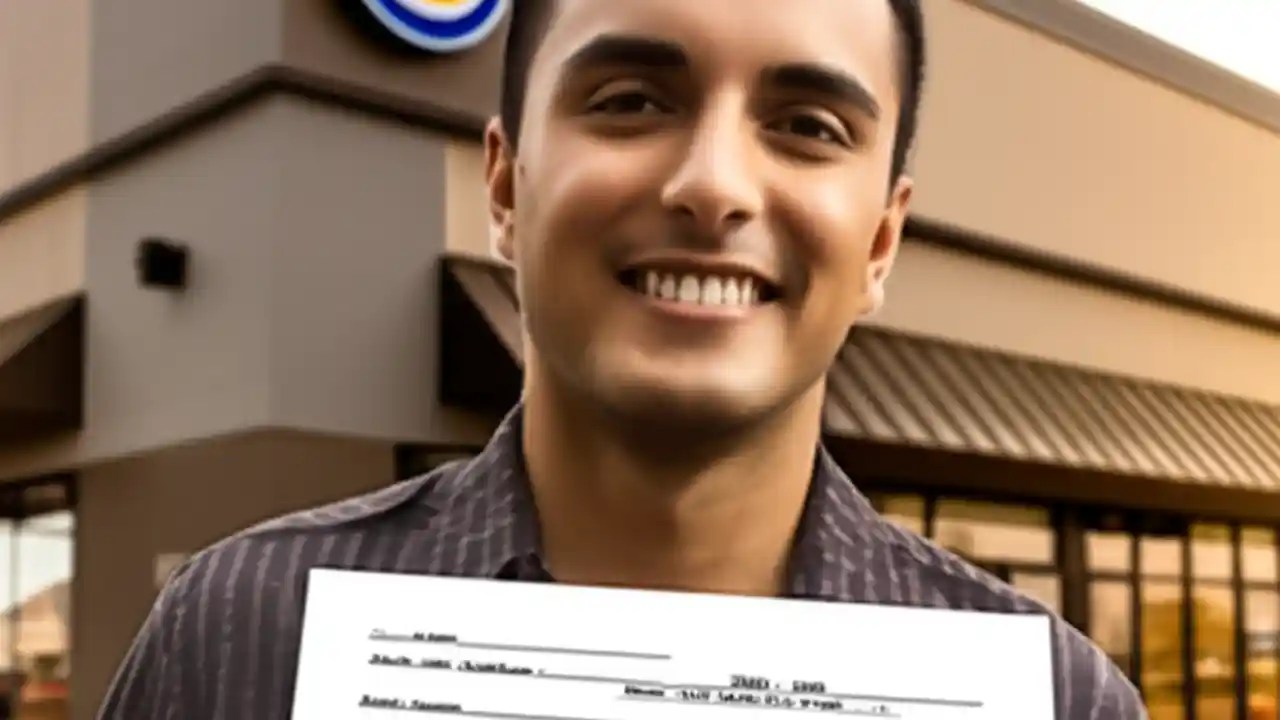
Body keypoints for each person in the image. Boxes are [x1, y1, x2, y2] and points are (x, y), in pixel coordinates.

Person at [98, 0, 1148, 718]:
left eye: (806, 125)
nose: (712, 185)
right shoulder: (241, 632)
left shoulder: (1054, 700)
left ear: (879, 240)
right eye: (633, 102)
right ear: (505, 189)